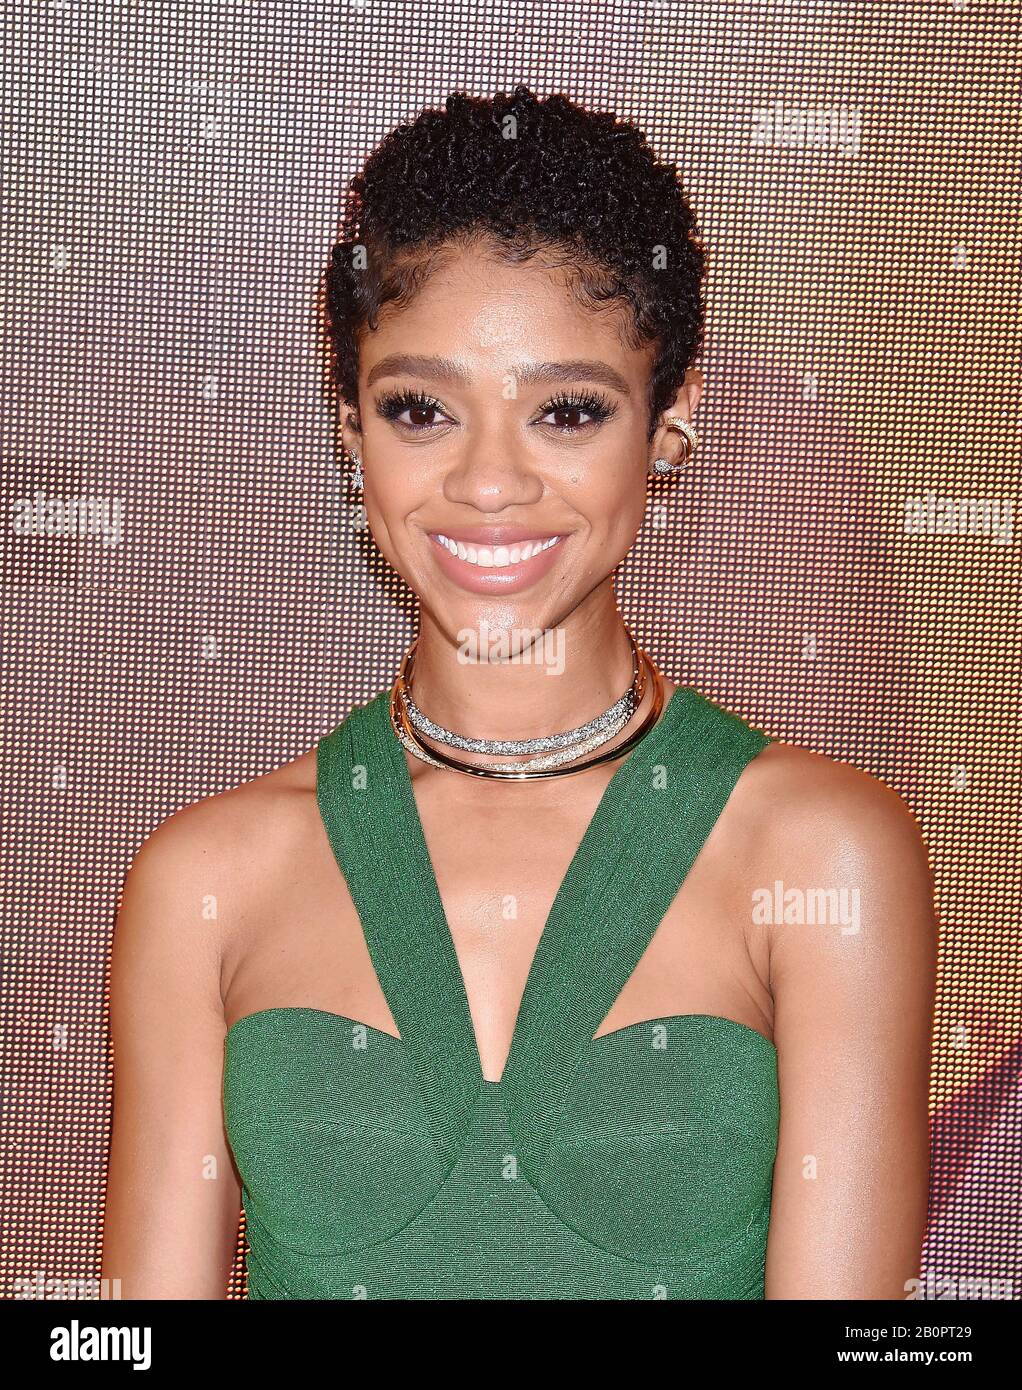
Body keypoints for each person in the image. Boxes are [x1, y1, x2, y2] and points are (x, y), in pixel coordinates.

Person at [102, 85, 936, 1300]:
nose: (488, 481)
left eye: (566, 410)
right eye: (420, 409)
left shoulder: (821, 853)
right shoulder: (204, 879)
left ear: (667, 421)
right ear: (351, 428)